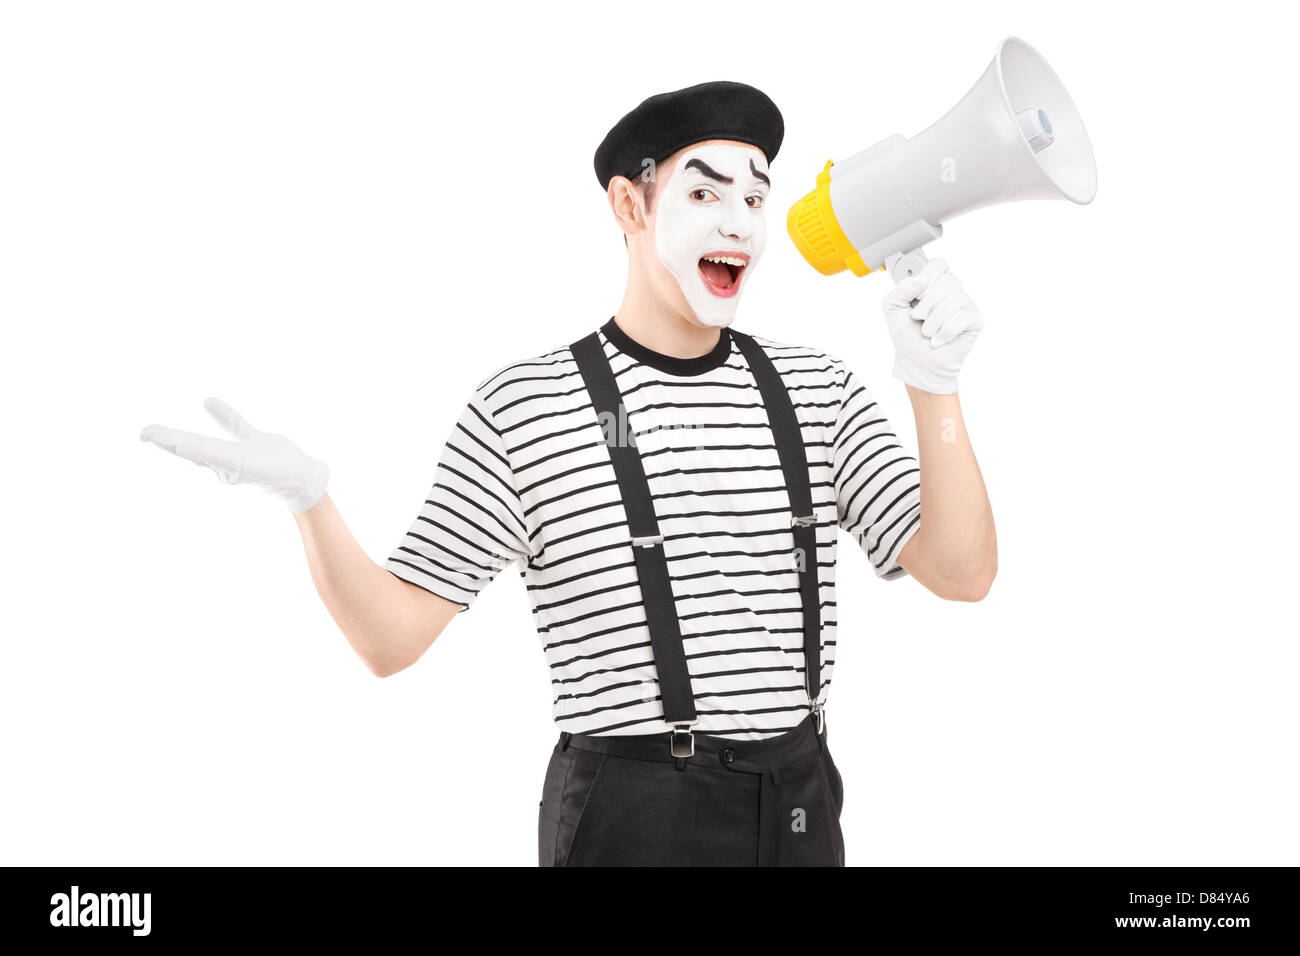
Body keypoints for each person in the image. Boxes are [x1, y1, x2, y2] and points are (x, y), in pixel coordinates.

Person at [140, 81, 996, 866]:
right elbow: (390, 639)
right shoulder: (526, 407)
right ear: (629, 204)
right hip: (632, 815)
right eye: (704, 193)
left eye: (755, 196)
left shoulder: (820, 391)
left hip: (802, 801)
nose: (739, 221)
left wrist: (937, 388)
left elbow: (962, 572)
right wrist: (309, 499)